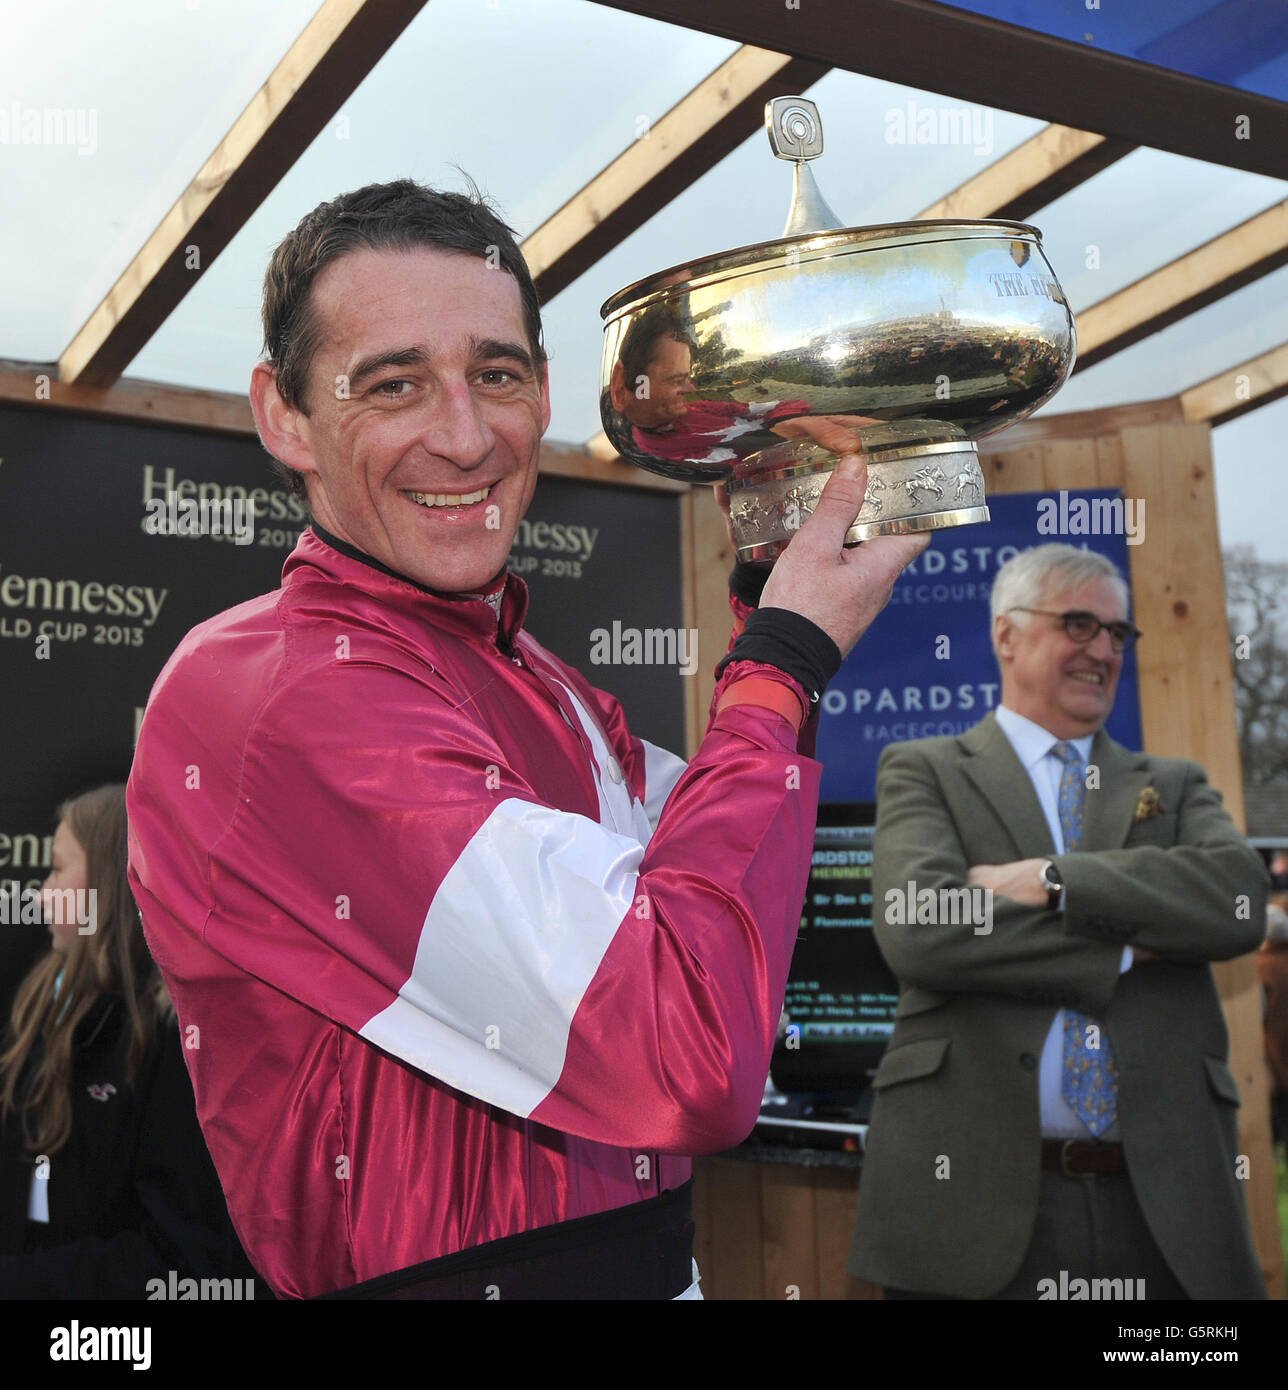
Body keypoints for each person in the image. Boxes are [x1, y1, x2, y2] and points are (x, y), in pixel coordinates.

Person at [125, 179, 927, 1299]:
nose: (463, 438)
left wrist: (764, 607)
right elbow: (684, 1048)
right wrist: (782, 661)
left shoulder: (549, 683)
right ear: (283, 416)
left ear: (546, 393)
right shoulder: (266, 689)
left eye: (495, 375)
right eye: (392, 383)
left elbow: (717, 916)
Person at [847, 542, 1269, 1299]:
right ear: (1007, 634)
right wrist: (1135, 945)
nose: (1103, 650)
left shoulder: (1171, 785)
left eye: (1118, 634)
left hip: (1167, 1212)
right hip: (971, 1211)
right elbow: (925, 929)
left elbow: (1237, 903)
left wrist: (1057, 880)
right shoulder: (926, 768)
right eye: (1079, 624)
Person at [0, 786, 259, 1298]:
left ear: (108, 882)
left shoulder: (172, 1039)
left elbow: (183, 1259)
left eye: (55, 870)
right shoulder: (39, 1009)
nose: (38, 893)